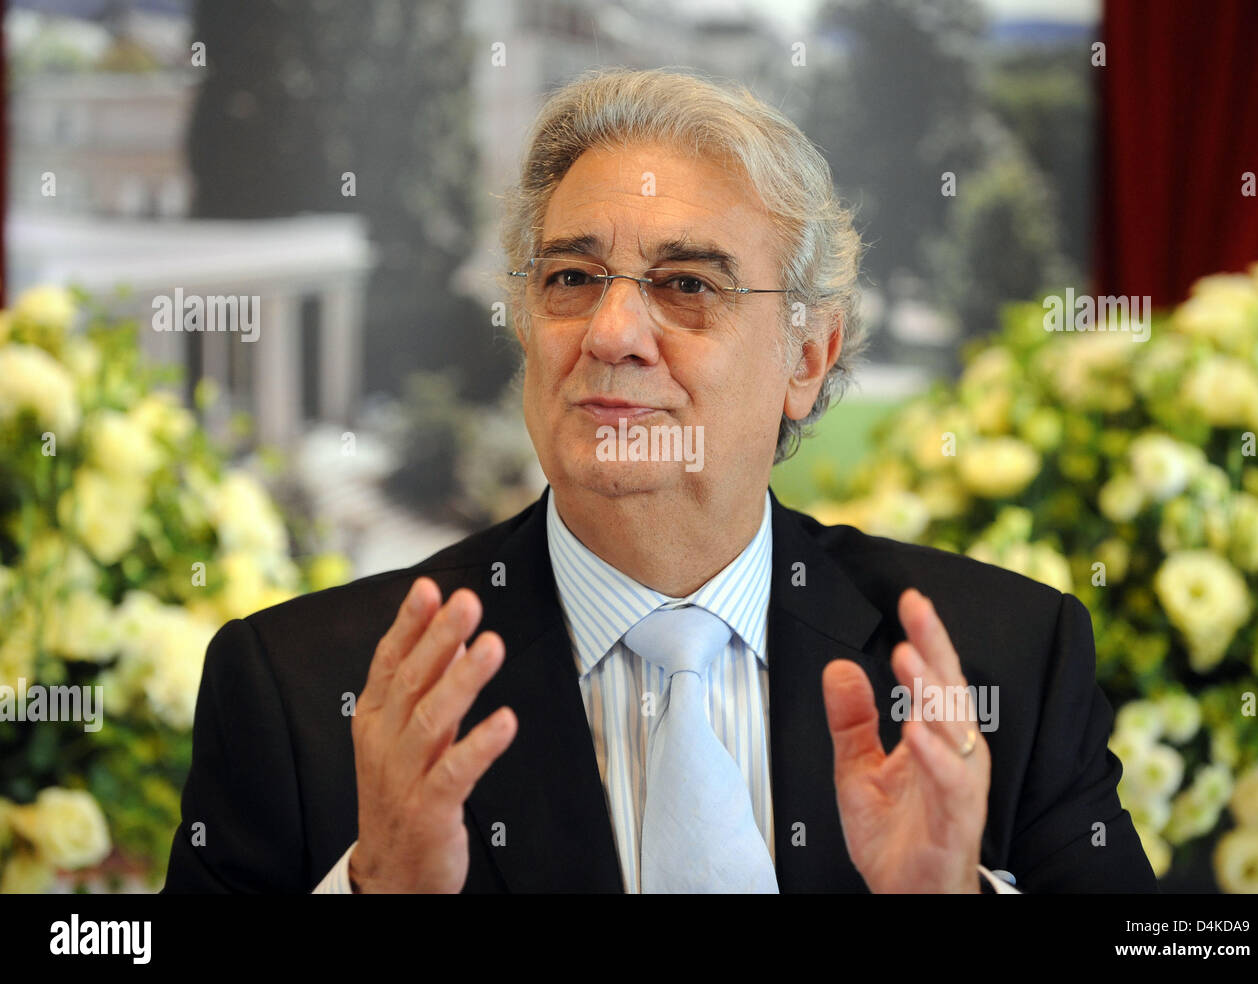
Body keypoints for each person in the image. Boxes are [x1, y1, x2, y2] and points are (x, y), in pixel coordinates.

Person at [162, 67, 1156, 894]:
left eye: (687, 285)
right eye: (570, 278)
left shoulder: (1002, 667)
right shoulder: (304, 690)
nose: (610, 334)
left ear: (807, 360)